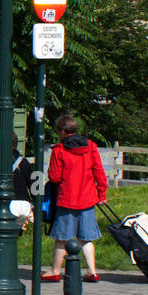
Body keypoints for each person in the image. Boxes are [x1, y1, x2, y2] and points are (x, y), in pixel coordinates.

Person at [43, 112, 107, 284]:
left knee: (61, 238)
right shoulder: (91, 146)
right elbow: (99, 172)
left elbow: (55, 177)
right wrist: (102, 194)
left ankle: (56, 271)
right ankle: (92, 271)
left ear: (63, 131)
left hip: (67, 199)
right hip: (87, 199)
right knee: (86, 238)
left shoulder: (59, 150)